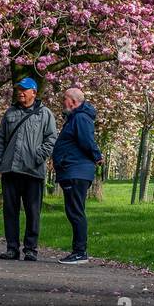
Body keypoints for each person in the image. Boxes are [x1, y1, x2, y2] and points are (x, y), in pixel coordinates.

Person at [0, 77, 57, 261]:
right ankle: (12, 248)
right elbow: (0, 140)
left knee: (32, 211)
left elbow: (51, 139)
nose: (20, 92)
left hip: (32, 171)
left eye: (24, 90)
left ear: (33, 92)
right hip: (10, 169)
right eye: (18, 89)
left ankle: (31, 249)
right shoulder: (10, 113)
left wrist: (38, 156)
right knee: (10, 211)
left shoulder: (45, 114)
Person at [52, 87, 103, 264]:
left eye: (64, 98)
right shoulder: (75, 118)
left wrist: (97, 156)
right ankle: (79, 251)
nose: (62, 102)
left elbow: (87, 141)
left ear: (73, 101)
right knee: (74, 210)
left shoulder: (80, 118)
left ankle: (80, 252)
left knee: (75, 211)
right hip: (72, 169)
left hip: (76, 170)